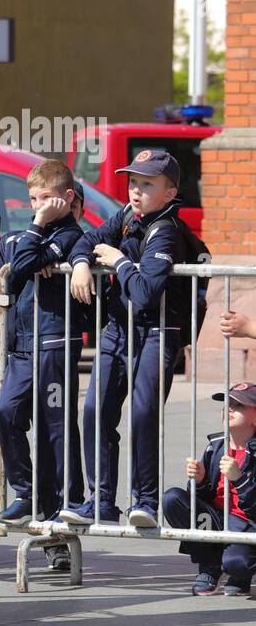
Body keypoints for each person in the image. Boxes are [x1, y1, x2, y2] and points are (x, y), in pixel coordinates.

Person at [62, 149, 189, 528]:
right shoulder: (126, 217)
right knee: (95, 411)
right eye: (133, 181)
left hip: (156, 332)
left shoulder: (165, 231)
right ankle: (100, 501)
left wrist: (118, 260)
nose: (136, 190)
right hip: (117, 330)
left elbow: (146, 291)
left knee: (144, 413)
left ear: (169, 194)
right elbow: (86, 240)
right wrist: (82, 264)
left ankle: (145, 502)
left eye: (147, 184)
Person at [0, 163, 88, 570]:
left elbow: (26, 261)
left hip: (55, 343)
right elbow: (15, 272)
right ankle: (26, 492)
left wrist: (34, 238)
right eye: (31, 200)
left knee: (55, 433)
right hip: (22, 346)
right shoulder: (32, 233)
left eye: (44, 199)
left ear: (65, 199)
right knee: (5, 412)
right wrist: (31, 242)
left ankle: (60, 529)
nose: (36, 206)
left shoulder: (70, 234)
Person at [164, 383, 256, 596]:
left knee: (237, 563)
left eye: (239, 405)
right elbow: (202, 497)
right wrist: (200, 480)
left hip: (247, 525)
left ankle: (240, 574)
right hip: (216, 518)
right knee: (173, 499)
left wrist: (239, 480)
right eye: (228, 403)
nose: (230, 408)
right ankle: (209, 565)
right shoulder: (215, 445)